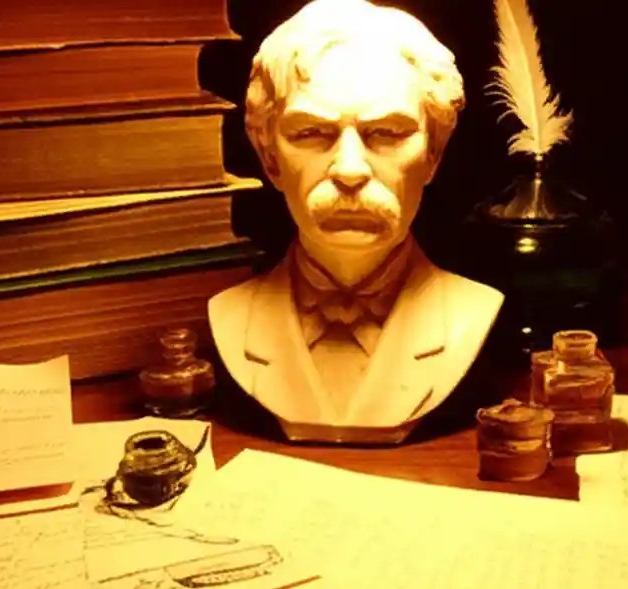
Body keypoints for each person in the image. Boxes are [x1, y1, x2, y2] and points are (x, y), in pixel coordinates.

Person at [209, 0, 503, 443]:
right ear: (269, 157)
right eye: (311, 133)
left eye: (386, 133)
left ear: (434, 153)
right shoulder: (229, 317)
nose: (349, 169)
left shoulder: (473, 314)